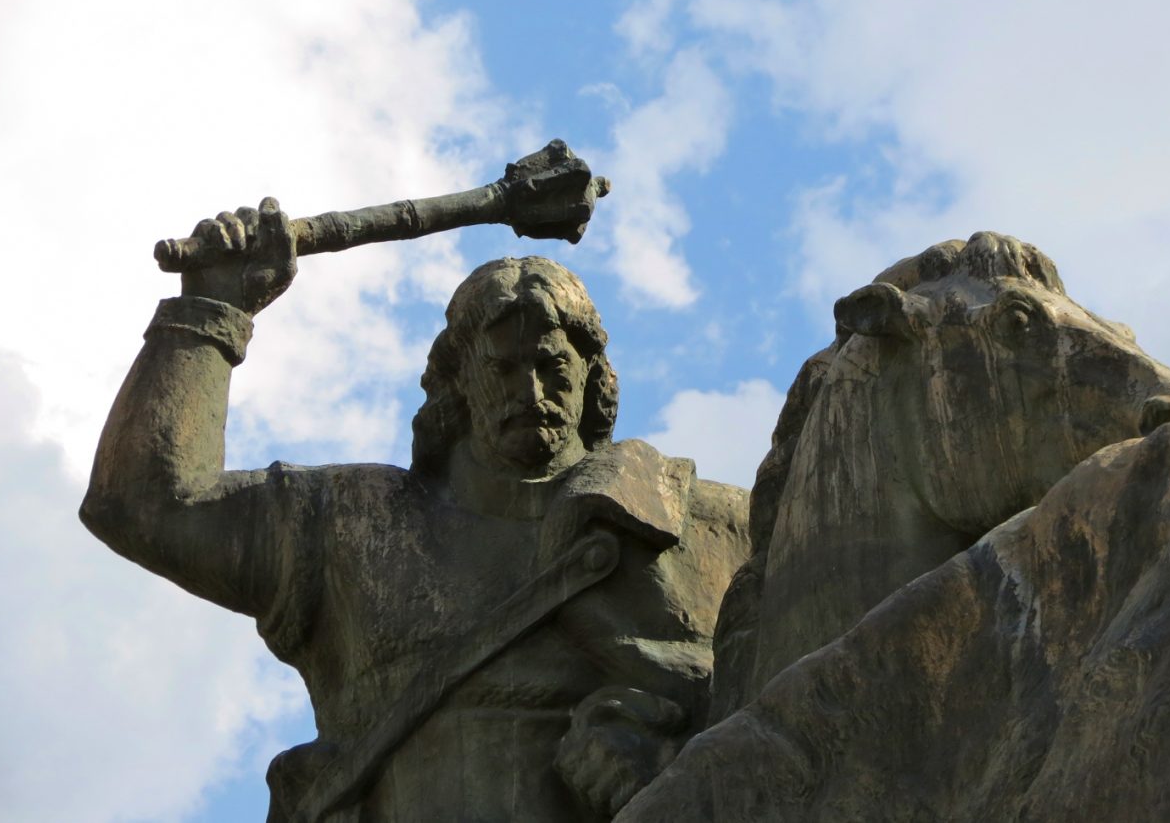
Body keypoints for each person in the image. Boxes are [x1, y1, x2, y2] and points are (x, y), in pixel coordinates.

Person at [81, 187, 750, 822]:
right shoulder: (350, 522)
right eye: (502, 368)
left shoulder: (701, 526)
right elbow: (141, 504)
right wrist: (209, 313)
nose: (531, 392)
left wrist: (677, 753)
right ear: (456, 382)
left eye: (553, 367)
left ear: (593, 378)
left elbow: (795, 718)